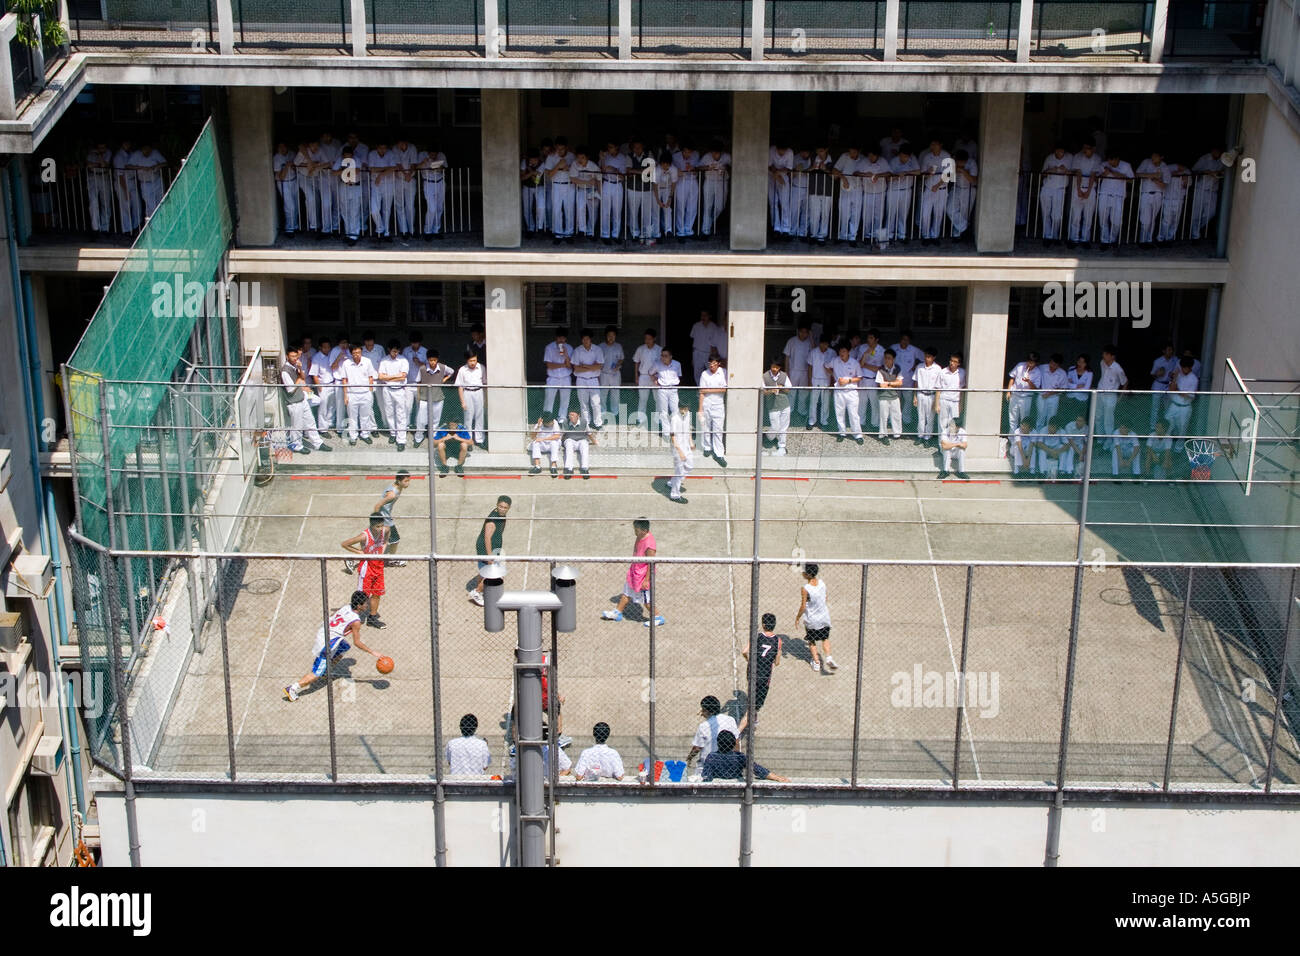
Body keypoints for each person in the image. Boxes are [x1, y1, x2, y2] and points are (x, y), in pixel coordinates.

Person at [284, 590, 381, 701]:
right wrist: (372, 652)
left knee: (344, 647)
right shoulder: (356, 621)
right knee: (316, 673)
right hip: (327, 643)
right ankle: (292, 688)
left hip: (325, 632)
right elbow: (357, 642)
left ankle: (327, 670)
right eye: (365, 603)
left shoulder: (346, 607)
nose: (367, 605)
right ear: (359, 606)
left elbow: (333, 617)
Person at [601, 517, 663, 625]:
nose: (635, 531)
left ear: (644, 530)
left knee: (647, 601)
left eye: (636, 530)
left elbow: (651, 564)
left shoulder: (650, 545)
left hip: (643, 577)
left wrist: (646, 580)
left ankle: (658, 617)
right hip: (634, 572)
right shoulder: (640, 536)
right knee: (626, 594)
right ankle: (617, 613)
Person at [737, 613, 782, 736]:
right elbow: (777, 662)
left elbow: (745, 651)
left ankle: (753, 716)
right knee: (754, 706)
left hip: (752, 672)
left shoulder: (757, 637)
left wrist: (750, 661)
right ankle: (738, 732)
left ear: (763, 624)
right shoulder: (778, 641)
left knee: (752, 693)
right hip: (764, 676)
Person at [342, 513, 390, 628]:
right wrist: (359, 552)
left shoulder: (386, 530)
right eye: (377, 527)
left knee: (377, 593)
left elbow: (386, 538)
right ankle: (352, 617)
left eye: (381, 526)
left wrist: (382, 549)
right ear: (371, 525)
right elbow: (345, 544)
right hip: (367, 567)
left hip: (378, 565)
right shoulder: (364, 536)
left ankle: (372, 618)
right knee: (362, 595)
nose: (380, 529)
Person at [281, 345, 331, 455]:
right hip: (293, 402)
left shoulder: (295, 367)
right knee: (297, 426)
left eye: (296, 356)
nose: (295, 358)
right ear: (287, 356)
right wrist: (299, 380)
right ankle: (297, 445)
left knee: (311, 422)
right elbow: (290, 389)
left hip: (301, 399)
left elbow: (303, 378)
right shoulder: (285, 371)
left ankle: (318, 443)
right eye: (292, 356)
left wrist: (300, 369)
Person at [702, 731, 790, 783]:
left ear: (718, 743)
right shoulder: (739, 757)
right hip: (737, 785)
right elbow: (757, 769)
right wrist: (777, 778)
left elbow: (706, 776)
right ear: (733, 744)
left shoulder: (712, 757)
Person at [470, 496, 512, 606]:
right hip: (486, 548)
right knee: (494, 573)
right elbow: (487, 538)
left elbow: (500, 531)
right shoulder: (492, 521)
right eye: (500, 506)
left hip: (494, 547)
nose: (502, 509)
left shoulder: (502, 515)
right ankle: (477, 592)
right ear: (497, 505)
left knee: (485, 571)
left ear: (509, 508)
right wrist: (490, 557)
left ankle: (479, 588)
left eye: (505, 507)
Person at [795, 563, 837, 673]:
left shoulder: (805, 589)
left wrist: (797, 617)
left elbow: (803, 606)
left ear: (807, 575)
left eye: (804, 572)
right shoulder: (822, 584)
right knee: (825, 638)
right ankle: (828, 657)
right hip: (824, 617)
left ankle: (816, 662)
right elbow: (825, 597)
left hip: (812, 619)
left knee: (811, 641)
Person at [687, 695, 738, 779]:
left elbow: (697, 748)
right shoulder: (730, 720)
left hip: (707, 766)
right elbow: (736, 740)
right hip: (727, 763)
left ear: (706, 710)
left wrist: (689, 758)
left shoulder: (704, 726)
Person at [413, 350, 455, 448]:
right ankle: (418, 437)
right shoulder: (422, 369)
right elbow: (418, 382)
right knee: (421, 420)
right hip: (424, 397)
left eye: (434, 360)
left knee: (435, 420)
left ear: (437, 360)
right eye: (431, 360)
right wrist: (418, 396)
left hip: (438, 398)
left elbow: (452, 372)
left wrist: (444, 379)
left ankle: (432, 436)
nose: (433, 362)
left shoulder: (443, 367)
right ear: (428, 360)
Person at [1067, 141, 1102, 249]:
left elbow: (1093, 175)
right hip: (1078, 187)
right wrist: (1078, 189)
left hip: (1090, 188)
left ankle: (1085, 239)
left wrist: (1088, 191)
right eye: (1084, 148)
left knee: (1088, 215)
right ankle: (1074, 238)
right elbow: (1078, 173)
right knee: (1076, 215)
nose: (1085, 151)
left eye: (1087, 148)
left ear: (1093, 149)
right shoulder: (1077, 156)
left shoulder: (1097, 158)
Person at [377, 340, 412, 450]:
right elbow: (381, 377)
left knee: (401, 414)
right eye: (393, 351)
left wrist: (388, 377)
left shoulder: (403, 360)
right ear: (389, 350)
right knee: (389, 412)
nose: (395, 353)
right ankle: (393, 433)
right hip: (387, 389)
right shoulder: (384, 360)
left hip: (400, 389)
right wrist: (394, 377)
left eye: (397, 351)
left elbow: (403, 377)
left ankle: (401, 439)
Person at [340, 343, 377, 446]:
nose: (357, 354)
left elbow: (371, 377)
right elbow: (344, 379)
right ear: (351, 353)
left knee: (365, 416)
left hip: (365, 393)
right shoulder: (346, 363)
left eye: (358, 352)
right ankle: (353, 436)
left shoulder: (367, 361)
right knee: (352, 417)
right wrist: (345, 395)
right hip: (352, 393)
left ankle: (365, 434)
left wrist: (370, 391)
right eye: (354, 353)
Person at [1096, 154, 1135, 249]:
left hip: (1118, 195)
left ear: (1117, 158)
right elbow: (1097, 178)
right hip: (1104, 193)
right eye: (1109, 160)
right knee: (1103, 218)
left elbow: (1131, 180)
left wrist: (1113, 172)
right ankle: (1104, 240)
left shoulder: (1126, 165)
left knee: (1116, 221)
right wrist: (1104, 174)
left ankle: (1113, 239)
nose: (1110, 163)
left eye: (1112, 160)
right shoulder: (1103, 164)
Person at [371, 470, 410, 564]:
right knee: (395, 539)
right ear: (399, 481)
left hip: (386, 517)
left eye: (409, 480)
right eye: (406, 481)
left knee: (373, 540)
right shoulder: (392, 494)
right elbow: (377, 506)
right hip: (384, 519)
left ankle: (351, 559)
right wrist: (376, 522)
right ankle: (392, 560)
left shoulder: (397, 486)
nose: (408, 483)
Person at [918, 138, 951, 246]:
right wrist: (928, 173)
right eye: (931, 144)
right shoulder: (927, 157)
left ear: (940, 144)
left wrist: (937, 185)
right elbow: (922, 173)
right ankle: (925, 236)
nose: (933, 147)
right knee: (925, 213)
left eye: (935, 144)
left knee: (938, 214)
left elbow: (948, 174)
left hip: (941, 189)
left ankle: (935, 235)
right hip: (929, 188)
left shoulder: (947, 156)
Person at [832, 145, 867, 244]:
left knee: (855, 213)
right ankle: (842, 235)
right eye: (850, 151)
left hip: (858, 188)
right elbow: (835, 169)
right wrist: (843, 178)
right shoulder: (844, 156)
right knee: (844, 212)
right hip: (845, 188)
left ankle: (852, 237)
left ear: (859, 151)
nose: (852, 154)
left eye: (854, 152)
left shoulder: (863, 159)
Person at [829, 344, 864, 443]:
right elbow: (826, 366)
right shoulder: (835, 360)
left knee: (853, 414)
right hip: (839, 391)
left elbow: (860, 377)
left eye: (844, 351)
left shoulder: (854, 362)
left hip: (851, 391)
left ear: (848, 352)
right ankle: (841, 432)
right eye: (840, 351)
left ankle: (857, 435)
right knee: (839, 413)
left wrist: (848, 381)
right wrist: (833, 376)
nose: (841, 353)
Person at [698, 353, 728, 467]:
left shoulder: (723, 372)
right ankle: (707, 447)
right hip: (706, 404)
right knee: (705, 427)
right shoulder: (704, 374)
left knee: (718, 430)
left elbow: (724, 390)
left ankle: (719, 454)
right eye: (710, 364)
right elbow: (701, 392)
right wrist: (700, 409)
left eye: (714, 364)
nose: (712, 366)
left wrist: (708, 390)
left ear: (718, 364)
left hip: (718, 405)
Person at [571, 329, 605, 428]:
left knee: (596, 403)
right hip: (581, 379)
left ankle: (598, 423)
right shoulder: (577, 350)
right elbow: (576, 368)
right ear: (582, 340)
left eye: (587, 339)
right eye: (584, 339)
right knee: (583, 403)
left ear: (591, 339)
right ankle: (586, 423)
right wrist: (591, 367)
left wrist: (584, 366)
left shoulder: (597, 349)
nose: (586, 341)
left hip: (594, 379)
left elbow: (599, 366)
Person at [1040, 144, 1073, 245]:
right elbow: (1043, 173)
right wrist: (1050, 170)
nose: (1059, 153)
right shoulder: (1049, 158)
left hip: (1060, 189)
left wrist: (1065, 170)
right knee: (1046, 213)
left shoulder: (1069, 158)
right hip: (1047, 187)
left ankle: (1055, 235)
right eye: (1057, 151)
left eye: (1061, 151)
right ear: (1055, 151)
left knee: (1057, 215)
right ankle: (1047, 236)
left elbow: (1073, 173)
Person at [1096, 346, 1128, 447]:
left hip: (1110, 396)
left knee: (1108, 420)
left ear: (1112, 356)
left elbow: (1125, 382)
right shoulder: (1102, 363)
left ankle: (1109, 443)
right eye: (1104, 354)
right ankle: (1099, 440)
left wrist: (1120, 397)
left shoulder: (1118, 369)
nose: (1103, 356)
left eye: (1106, 354)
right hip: (1100, 392)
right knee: (1098, 417)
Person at [1135, 149, 1168, 247]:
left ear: (1161, 157)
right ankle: (1142, 240)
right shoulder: (1146, 162)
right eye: (1152, 156)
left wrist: (1154, 179)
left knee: (1152, 218)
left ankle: (1148, 240)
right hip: (1146, 193)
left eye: (1156, 156)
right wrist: (1151, 175)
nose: (1153, 158)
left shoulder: (1164, 167)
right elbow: (1137, 174)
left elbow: (1164, 185)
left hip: (1158, 194)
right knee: (1145, 218)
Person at [544, 137, 575, 243]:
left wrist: (568, 168)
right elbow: (549, 174)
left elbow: (577, 171)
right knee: (556, 209)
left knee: (569, 209)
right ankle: (558, 234)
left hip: (569, 185)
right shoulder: (551, 156)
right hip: (556, 185)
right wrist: (558, 166)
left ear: (566, 147)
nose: (560, 151)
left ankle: (569, 233)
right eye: (558, 148)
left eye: (562, 149)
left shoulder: (572, 156)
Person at [1189, 147, 1224, 240]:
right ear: (1213, 150)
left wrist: (1219, 173)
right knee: (1196, 213)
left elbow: (1225, 171)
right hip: (1201, 188)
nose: (1218, 153)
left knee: (1211, 213)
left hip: (1213, 190)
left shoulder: (1222, 160)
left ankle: (1196, 229)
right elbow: (1194, 171)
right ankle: (1195, 235)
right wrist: (1206, 172)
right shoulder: (1204, 159)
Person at [886, 145, 918, 243]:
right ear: (899, 154)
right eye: (903, 156)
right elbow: (888, 177)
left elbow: (918, 172)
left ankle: (902, 234)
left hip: (906, 190)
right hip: (894, 190)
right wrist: (896, 176)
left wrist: (906, 172)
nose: (904, 158)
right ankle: (889, 235)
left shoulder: (913, 160)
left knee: (903, 214)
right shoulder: (893, 161)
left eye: (906, 157)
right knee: (891, 213)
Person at [598, 141, 629, 243]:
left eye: (611, 147)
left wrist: (614, 169)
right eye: (608, 147)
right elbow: (601, 171)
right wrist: (602, 159)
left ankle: (616, 234)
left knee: (617, 211)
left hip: (617, 184)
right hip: (607, 183)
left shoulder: (623, 158)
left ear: (616, 147)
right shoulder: (605, 156)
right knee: (605, 211)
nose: (609, 149)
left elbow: (623, 176)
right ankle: (605, 234)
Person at [783, 322, 814, 421]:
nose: (803, 334)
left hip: (805, 371)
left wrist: (811, 337)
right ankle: (790, 411)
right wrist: (786, 372)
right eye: (801, 332)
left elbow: (814, 353)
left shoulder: (809, 342)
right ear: (798, 332)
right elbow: (787, 357)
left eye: (805, 332)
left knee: (803, 393)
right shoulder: (792, 341)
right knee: (791, 392)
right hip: (793, 371)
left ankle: (802, 412)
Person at [418, 140, 448, 239]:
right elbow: (416, 168)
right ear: (428, 152)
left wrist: (438, 167)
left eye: (435, 154)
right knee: (432, 208)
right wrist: (424, 162)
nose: (433, 155)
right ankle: (427, 231)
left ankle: (436, 230)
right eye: (432, 154)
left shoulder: (441, 155)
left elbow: (445, 168)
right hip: (429, 182)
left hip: (440, 182)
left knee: (439, 208)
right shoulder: (422, 155)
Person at [700, 139, 731, 238]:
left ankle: (710, 222)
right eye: (713, 152)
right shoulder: (707, 157)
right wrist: (708, 167)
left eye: (716, 153)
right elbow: (698, 167)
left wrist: (726, 167)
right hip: (709, 181)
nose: (714, 155)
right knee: (707, 206)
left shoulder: (727, 157)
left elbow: (733, 168)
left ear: (721, 152)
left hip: (722, 182)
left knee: (720, 206)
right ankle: (705, 230)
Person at [913, 346, 943, 447]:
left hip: (931, 395)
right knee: (920, 416)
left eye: (929, 356)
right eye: (926, 356)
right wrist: (915, 397)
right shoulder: (919, 367)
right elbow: (916, 382)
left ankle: (928, 437)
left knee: (930, 417)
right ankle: (920, 435)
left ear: (933, 357)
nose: (927, 358)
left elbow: (939, 385)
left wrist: (937, 401)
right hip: (920, 394)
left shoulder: (938, 369)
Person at [455, 352, 487, 446]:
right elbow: (460, 386)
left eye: (474, 360)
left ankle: (479, 439)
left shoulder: (481, 367)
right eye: (470, 361)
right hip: (467, 393)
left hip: (479, 392)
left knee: (479, 416)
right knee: (468, 417)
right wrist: (463, 402)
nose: (473, 363)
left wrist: (485, 399)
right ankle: (468, 440)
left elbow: (485, 383)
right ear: (467, 361)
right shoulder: (462, 370)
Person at [947, 148, 978, 242]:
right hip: (956, 188)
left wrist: (963, 171)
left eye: (961, 162)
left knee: (964, 213)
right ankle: (966, 229)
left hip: (968, 190)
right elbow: (949, 177)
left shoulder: (972, 163)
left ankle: (957, 235)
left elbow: (974, 180)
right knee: (950, 209)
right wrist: (954, 169)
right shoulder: (953, 162)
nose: (959, 163)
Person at [571, 145, 602, 241]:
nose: (580, 160)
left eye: (583, 158)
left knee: (593, 212)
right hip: (581, 189)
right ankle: (582, 230)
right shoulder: (574, 164)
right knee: (580, 208)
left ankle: (590, 231)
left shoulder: (593, 166)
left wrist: (600, 194)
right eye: (578, 157)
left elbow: (599, 180)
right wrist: (587, 182)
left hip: (592, 190)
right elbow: (573, 179)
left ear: (587, 157)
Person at [632, 328, 662, 426]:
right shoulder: (641, 349)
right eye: (646, 338)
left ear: (654, 339)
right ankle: (641, 419)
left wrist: (660, 378)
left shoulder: (659, 349)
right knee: (642, 398)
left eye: (649, 338)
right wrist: (636, 376)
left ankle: (658, 419)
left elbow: (662, 364)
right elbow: (636, 362)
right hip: (643, 376)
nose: (647, 340)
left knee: (658, 399)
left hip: (656, 377)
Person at [542, 330, 573, 421]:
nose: (561, 340)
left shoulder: (569, 348)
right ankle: (547, 420)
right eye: (559, 337)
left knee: (565, 400)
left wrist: (566, 355)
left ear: (565, 338)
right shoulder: (549, 347)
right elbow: (549, 365)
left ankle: (562, 419)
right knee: (549, 400)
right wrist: (563, 365)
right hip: (553, 378)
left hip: (566, 378)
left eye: (563, 338)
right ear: (556, 337)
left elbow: (570, 365)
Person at [666, 401, 694, 504]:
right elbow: (672, 436)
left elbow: (688, 429)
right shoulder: (674, 418)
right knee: (679, 472)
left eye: (686, 409)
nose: (684, 411)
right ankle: (675, 495)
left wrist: (691, 442)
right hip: (677, 448)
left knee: (690, 466)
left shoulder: (688, 415)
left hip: (686, 446)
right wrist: (680, 451)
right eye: (683, 409)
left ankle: (672, 482)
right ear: (679, 408)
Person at [763, 358, 791, 456]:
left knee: (783, 427)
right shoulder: (765, 376)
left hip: (784, 404)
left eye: (777, 367)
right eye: (773, 366)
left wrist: (781, 387)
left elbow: (788, 389)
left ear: (780, 367)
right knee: (775, 427)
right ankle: (768, 437)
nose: (774, 369)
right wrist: (771, 390)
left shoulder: (784, 375)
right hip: (772, 405)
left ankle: (782, 447)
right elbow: (763, 392)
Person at [653, 347, 683, 439]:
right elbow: (650, 372)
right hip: (662, 389)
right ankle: (666, 433)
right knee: (663, 411)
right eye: (662, 356)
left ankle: (675, 431)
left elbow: (679, 375)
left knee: (675, 410)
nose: (663, 358)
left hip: (673, 389)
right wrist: (655, 380)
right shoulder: (657, 364)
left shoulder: (677, 364)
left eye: (665, 356)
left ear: (670, 356)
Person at [876, 349, 905, 443]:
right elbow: (881, 385)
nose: (887, 360)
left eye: (889, 358)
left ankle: (897, 434)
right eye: (885, 358)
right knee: (883, 417)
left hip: (894, 395)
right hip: (883, 396)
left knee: (896, 415)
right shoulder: (880, 369)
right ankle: (883, 435)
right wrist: (893, 383)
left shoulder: (897, 368)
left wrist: (888, 383)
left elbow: (900, 383)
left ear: (893, 359)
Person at [1165, 355, 1198, 436]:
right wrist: (1175, 377)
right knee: (1167, 421)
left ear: (1190, 367)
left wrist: (1177, 390)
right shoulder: (1179, 374)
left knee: (1182, 429)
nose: (1183, 369)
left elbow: (1190, 396)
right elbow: (1171, 389)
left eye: (1185, 368)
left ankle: (1178, 448)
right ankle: (1168, 445)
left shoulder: (1194, 379)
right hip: (1174, 405)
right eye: (1182, 367)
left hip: (1184, 407)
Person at [806, 337, 835, 430]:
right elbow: (809, 367)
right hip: (815, 379)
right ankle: (811, 421)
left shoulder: (832, 353)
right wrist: (809, 381)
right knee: (813, 401)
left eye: (826, 344)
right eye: (822, 343)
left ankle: (824, 421)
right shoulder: (813, 352)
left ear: (828, 344)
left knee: (825, 402)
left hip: (827, 379)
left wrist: (832, 382)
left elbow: (834, 368)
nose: (824, 346)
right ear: (819, 343)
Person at [690, 310, 723, 385]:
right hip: (697, 352)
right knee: (697, 373)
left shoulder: (714, 327)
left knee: (711, 371)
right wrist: (693, 356)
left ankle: (709, 388)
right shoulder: (696, 326)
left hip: (709, 353)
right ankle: (699, 390)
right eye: (702, 315)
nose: (703, 317)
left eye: (705, 315)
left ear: (709, 316)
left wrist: (714, 355)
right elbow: (693, 340)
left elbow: (715, 342)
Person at [561, 409, 597, 479]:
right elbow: (562, 434)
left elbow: (589, 433)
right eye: (570, 415)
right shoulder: (565, 422)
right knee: (568, 443)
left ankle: (585, 468)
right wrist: (559, 443)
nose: (571, 417)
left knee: (584, 444)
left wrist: (594, 442)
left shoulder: (584, 422)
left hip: (581, 440)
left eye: (573, 415)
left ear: (578, 415)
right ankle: (569, 469)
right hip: (570, 440)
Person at [599, 326, 624, 423]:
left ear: (615, 336)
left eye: (613, 336)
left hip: (615, 373)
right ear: (606, 336)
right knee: (603, 394)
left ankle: (615, 413)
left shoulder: (618, 346)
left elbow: (621, 358)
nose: (611, 337)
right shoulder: (601, 346)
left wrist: (618, 364)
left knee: (615, 394)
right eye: (609, 335)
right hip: (604, 373)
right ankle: (603, 413)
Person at [1036, 354, 1069, 429]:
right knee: (1040, 417)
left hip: (1054, 398)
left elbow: (1063, 388)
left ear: (1058, 365)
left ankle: (1048, 438)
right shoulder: (1042, 368)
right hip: (1041, 396)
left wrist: (1050, 394)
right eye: (1051, 363)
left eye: (1054, 364)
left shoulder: (1062, 373)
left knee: (1051, 417)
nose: (1052, 365)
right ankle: (1038, 437)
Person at [937, 352, 965, 432]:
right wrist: (937, 404)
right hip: (944, 400)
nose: (952, 363)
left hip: (955, 401)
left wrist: (961, 404)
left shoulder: (962, 373)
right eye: (951, 360)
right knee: (942, 422)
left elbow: (962, 389)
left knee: (952, 422)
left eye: (955, 361)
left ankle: (950, 441)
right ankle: (941, 442)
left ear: (959, 363)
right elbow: (938, 389)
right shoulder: (943, 372)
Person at [1065, 353, 1093, 422]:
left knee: (1079, 419)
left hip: (1082, 399)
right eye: (1079, 361)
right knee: (1069, 417)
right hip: (1070, 398)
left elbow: (1086, 388)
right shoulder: (1071, 369)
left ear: (1086, 364)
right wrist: (1077, 386)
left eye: (1083, 362)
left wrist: (1072, 385)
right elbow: (1066, 384)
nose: (1080, 364)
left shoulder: (1089, 373)